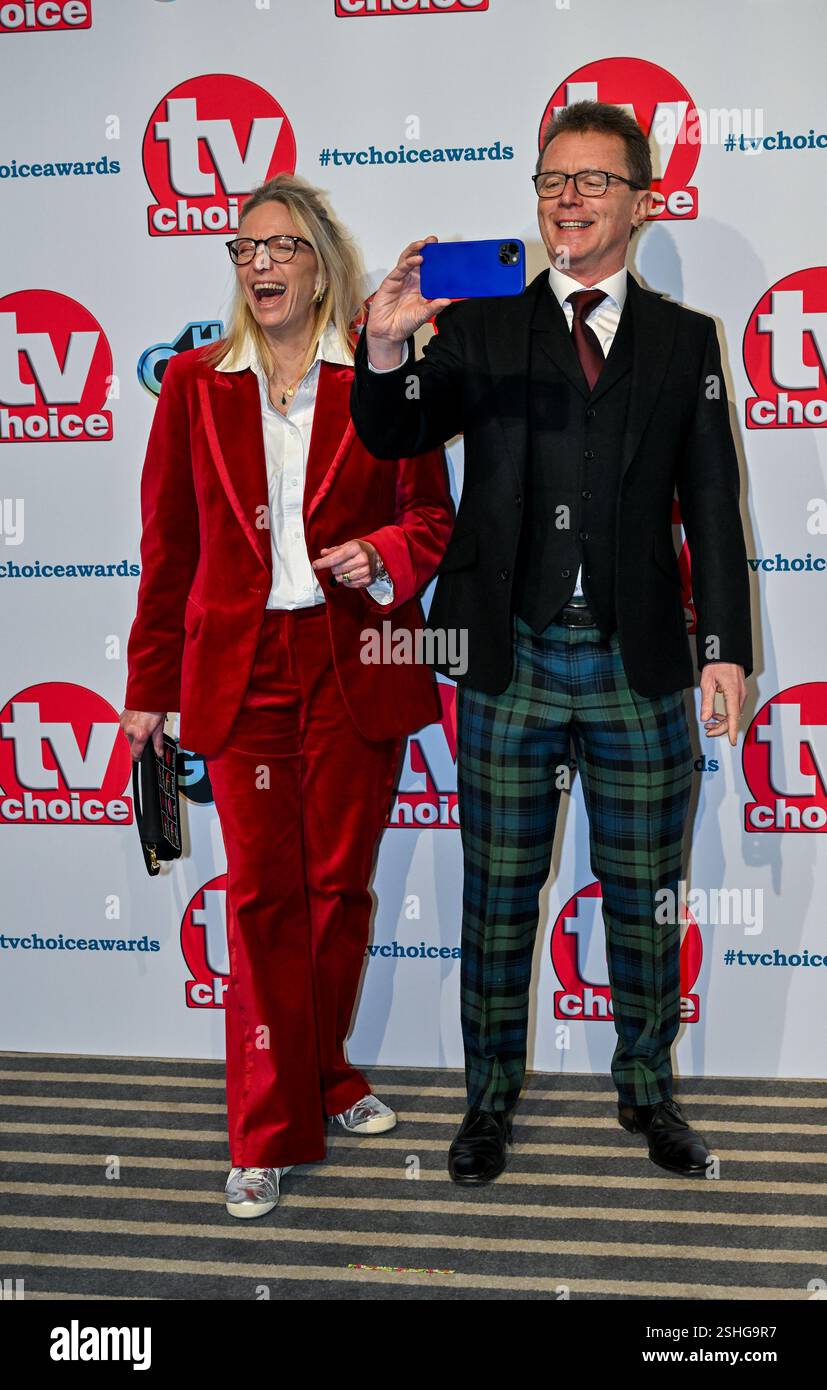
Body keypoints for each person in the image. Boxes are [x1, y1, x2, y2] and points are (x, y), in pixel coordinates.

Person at [350, 100, 752, 1184]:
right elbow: (395, 427)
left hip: (638, 665)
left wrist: (722, 645)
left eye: (589, 181)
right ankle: (485, 1103)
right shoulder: (480, 324)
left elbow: (709, 504)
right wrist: (386, 342)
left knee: (642, 892)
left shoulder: (682, 340)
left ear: (641, 201)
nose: (564, 200)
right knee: (495, 897)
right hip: (506, 658)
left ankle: (646, 1092)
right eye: (549, 181)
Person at [121, 173, 453, 1217]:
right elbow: (168, 547)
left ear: (320, 265)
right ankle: (264, 1129)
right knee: (263, 895)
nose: (259, 266)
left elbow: (428, 518)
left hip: (354, 658)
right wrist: (147, 687)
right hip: (243, 666)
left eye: (279, 249)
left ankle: (319, 1072)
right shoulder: (192, 384)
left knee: (339, 890)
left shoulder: (380, 372)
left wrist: (381, 554)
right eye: (243, 250)